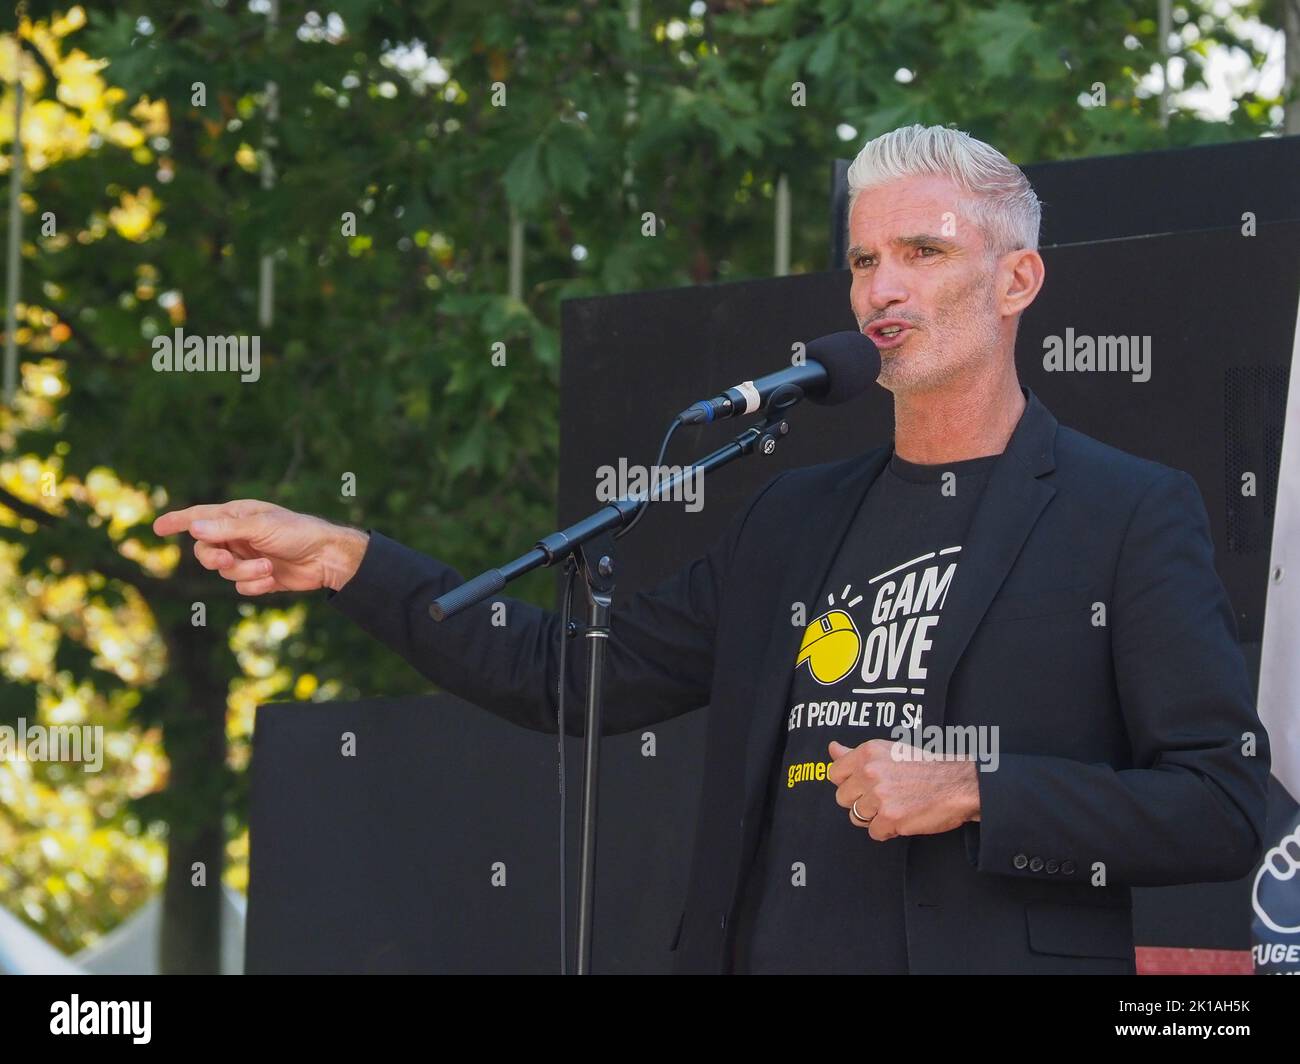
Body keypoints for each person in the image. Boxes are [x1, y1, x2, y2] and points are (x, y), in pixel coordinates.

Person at [154, 124, 1270, 974]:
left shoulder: (1123, 511)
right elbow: (566, 671)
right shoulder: (793, 516)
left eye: (922, 252)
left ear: (1015, 280)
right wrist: (353, 557)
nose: (881, 288)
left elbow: (1222, 803)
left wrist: (982, 787)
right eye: (862, 259)